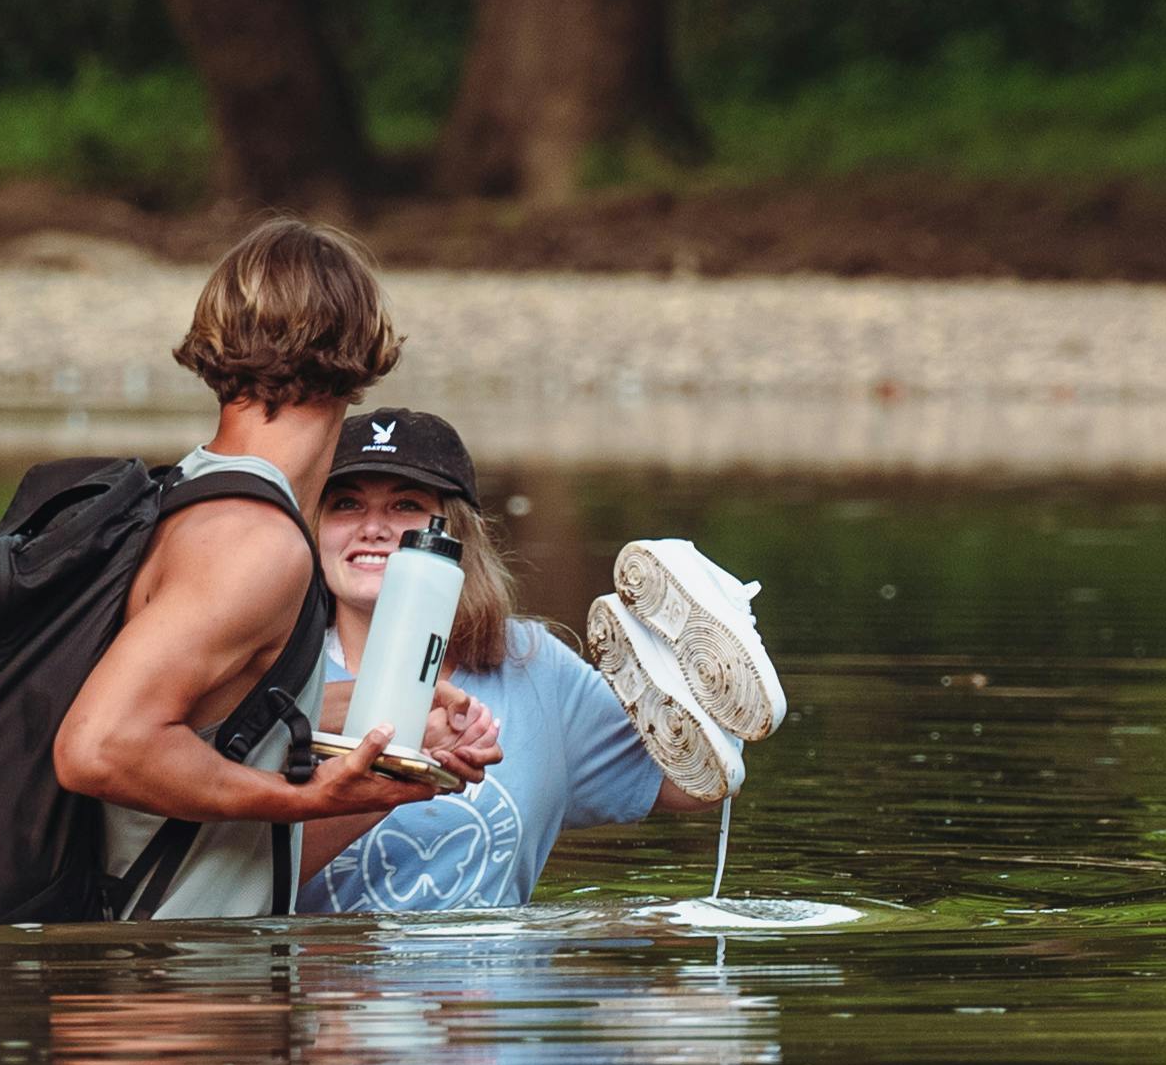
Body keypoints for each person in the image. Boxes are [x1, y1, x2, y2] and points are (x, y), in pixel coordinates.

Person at [49, 223, 501, 919]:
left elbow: (215, 716)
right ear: (362, 346)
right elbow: (98, 747)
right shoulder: (257, 542)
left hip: (174, 969)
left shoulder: (195, 493)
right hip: (170, 974)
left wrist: (388, 721)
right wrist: (304, 798)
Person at [294, 408, 777, 913]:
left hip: (501, 963)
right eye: (346, 503)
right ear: (313, 526)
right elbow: (250, 882)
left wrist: (709, 670)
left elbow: (699, 783)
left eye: (405, 505)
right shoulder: (274, 674)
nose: (372, 527)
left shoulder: (532, 666)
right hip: (310, 962)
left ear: (458, 533)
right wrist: (401, 770)